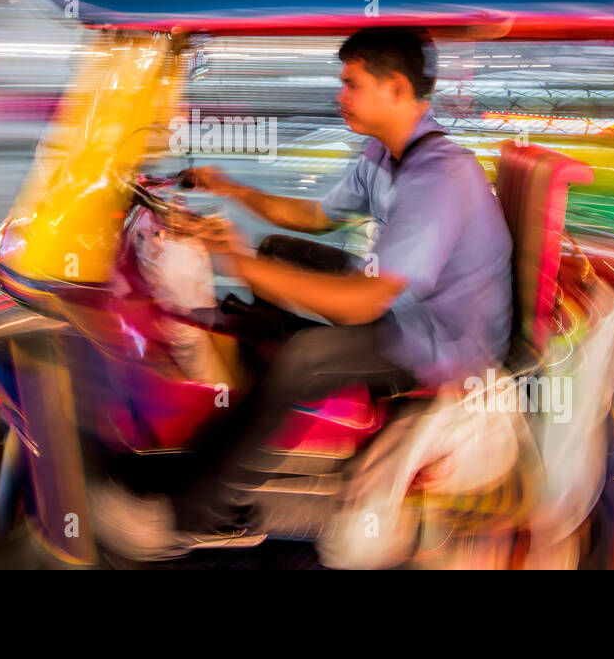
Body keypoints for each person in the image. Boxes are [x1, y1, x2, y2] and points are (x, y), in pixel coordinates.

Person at [171, 26, 513, 536]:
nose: (340, 96)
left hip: (439, 341)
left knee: (302, 359)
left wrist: (237, 263)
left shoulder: (439, 177)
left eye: (351, 84)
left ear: (395, 89)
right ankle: (261, 380)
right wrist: (230, 189)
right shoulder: (383, 154)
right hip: (402, 302)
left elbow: (365, 305)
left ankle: (204, 512)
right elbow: (313, 215)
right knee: (275, 251)